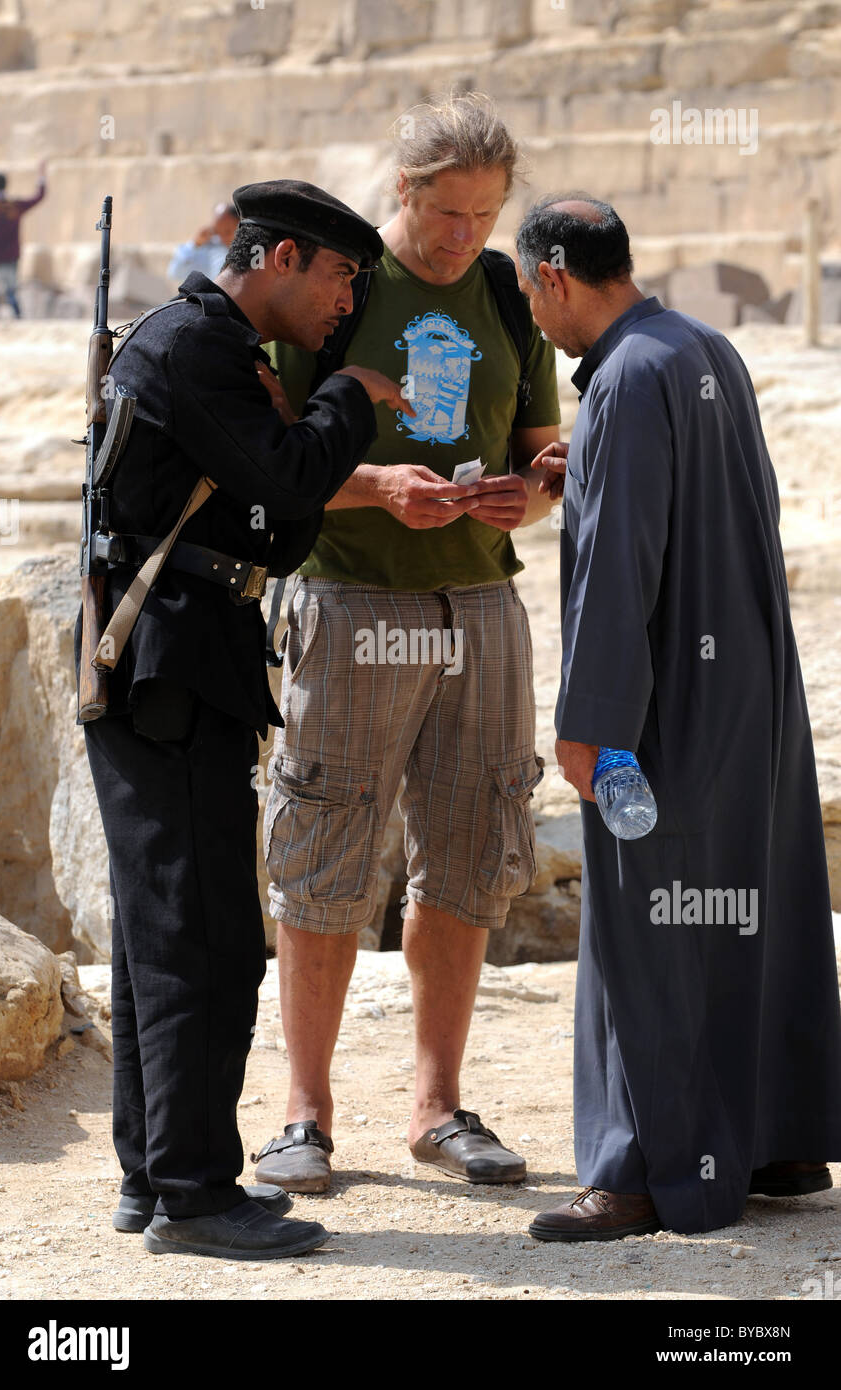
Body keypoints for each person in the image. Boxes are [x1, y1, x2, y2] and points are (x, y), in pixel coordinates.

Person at [77, 180, 410, 1261]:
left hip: (180, 661)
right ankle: (195, 1194)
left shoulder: (201, 346)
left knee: (159, 934)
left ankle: (153, 1174)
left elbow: (274, 523)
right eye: (340, 278)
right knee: (205, 938)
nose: (345, 301)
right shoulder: (199, 351)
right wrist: (349, 396)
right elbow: (286, 480)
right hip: (173, 669)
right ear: (278, 258)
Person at [252, 93, 562, 1196]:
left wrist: (518, 499)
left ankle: (437, 1107)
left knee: (471, 847)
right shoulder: (339, 293)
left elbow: (540, 457)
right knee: (325, 847)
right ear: (403, 192)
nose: (461, 237)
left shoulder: (501, 294)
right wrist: (378, 486)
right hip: (348, 604)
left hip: (479, 607)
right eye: (444, 213)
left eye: (482, 216)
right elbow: (269, 458)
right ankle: (304, 1113)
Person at [514, 194, 841, 1240]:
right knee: (749, 901)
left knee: (645, 920)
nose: (531, 314)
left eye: (528, 291)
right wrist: (588, 469)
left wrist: (590, 721)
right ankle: (772, 1139)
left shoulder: (619, 378)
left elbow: (621, 568)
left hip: (665, 705)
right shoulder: (700, 349)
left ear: (555, 276)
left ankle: (640, 1171)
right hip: (749, 692)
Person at [0, 163, 46, 319]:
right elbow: (38, 197)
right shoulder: (14, 206)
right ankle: (17, 317)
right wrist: (42, 177)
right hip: (12, 254)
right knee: (11, 289)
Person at [166, 201, 239, 284]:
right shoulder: (208, 248)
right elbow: (175, 273)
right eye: (217, 231)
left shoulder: (249, 250)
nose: (221, 237)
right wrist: (195, 244)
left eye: (227, 231)